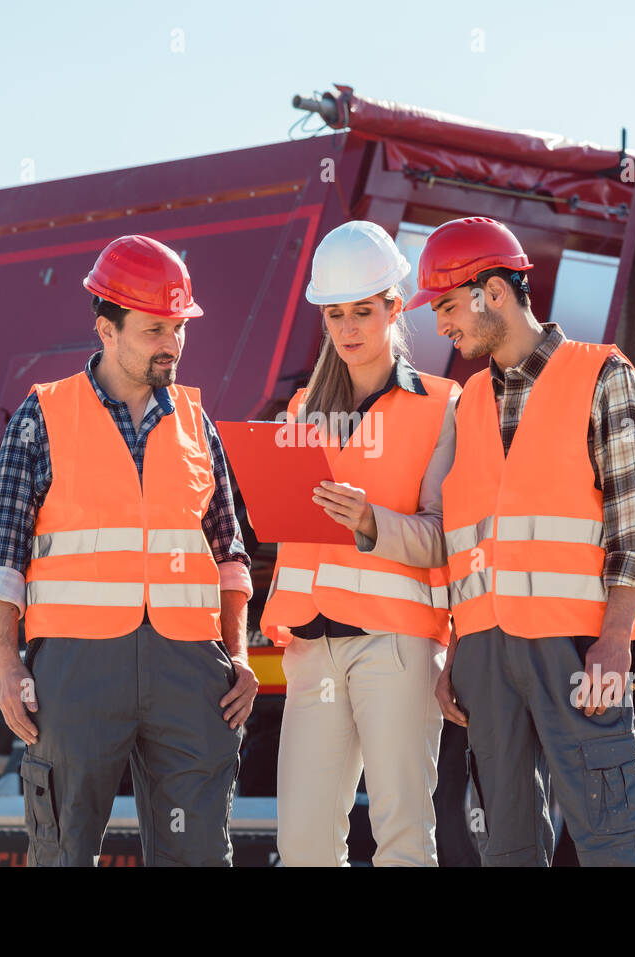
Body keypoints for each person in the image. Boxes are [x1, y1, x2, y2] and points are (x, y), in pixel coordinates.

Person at [0, 234, 258, 866]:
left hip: (189, 670)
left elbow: (229, 554)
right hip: (75, 671)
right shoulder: (42, 416)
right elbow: (1, 559)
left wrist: (236, 653)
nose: (172, 344)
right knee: (64, 848)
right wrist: (7, 666)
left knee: (199, 852)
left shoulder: (196, 421)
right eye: (155, 329)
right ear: (107, 329)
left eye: (179, 328)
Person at [412, 216, 635, 866]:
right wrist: (454, 648)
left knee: (614, 832)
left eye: (446, 304)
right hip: (487, 656)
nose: (441, 324)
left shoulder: (602, 376)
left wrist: (614, 639)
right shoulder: (467, 402)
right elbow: (462, 539)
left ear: (493, 291)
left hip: (576, 646)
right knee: (507, 845)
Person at [259, 220, 460, 866]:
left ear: (395, 308)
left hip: (396, 646)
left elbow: (445, 539)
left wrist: (372, 521)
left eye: (363, 312)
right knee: (305, 845)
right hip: (313, 648)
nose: (348, 329)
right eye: (335, 314)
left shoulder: (441, 407)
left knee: (403, 838)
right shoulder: (299, 415)